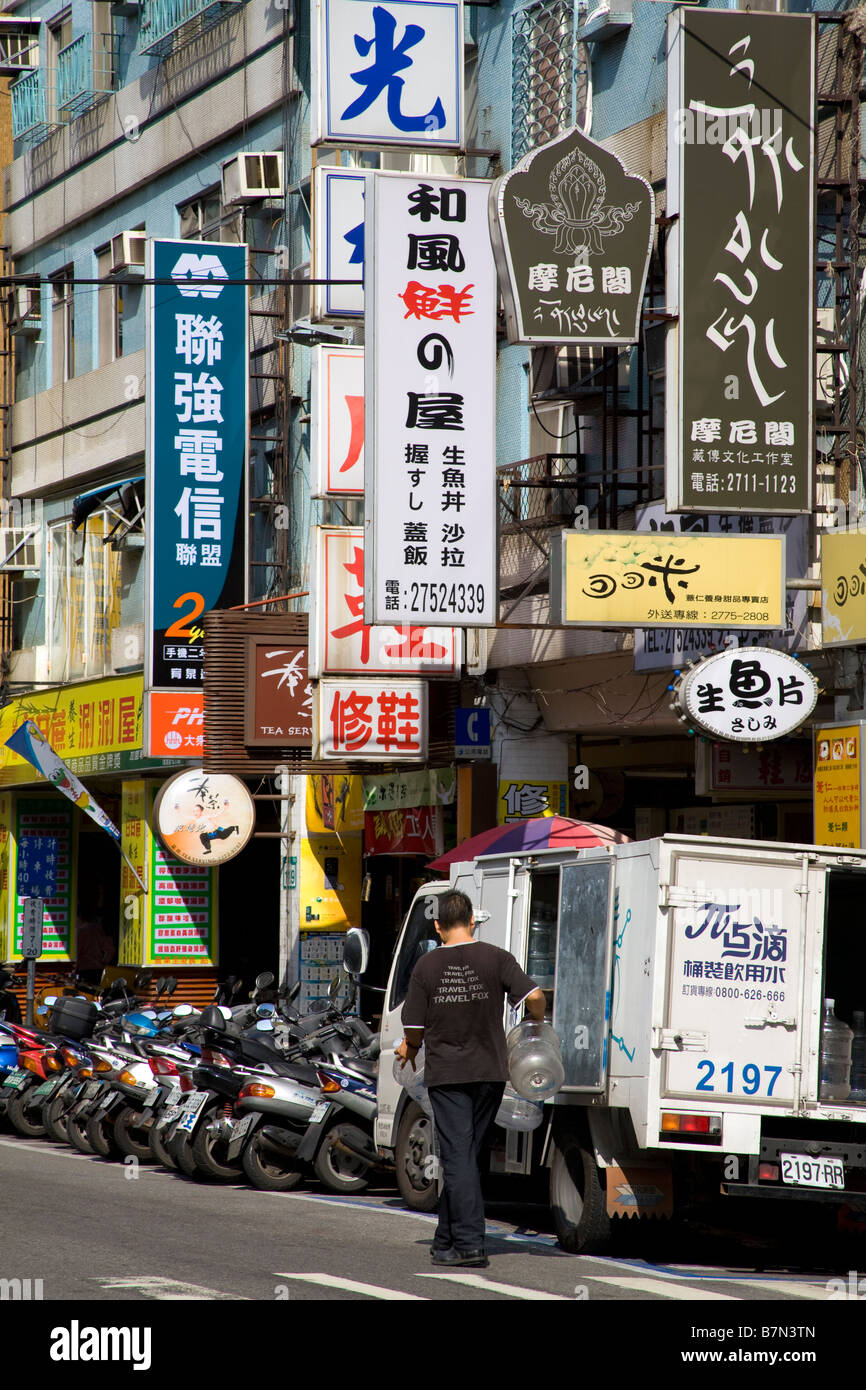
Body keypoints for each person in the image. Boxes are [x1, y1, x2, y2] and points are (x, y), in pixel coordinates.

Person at [396, 890, 547, 1268]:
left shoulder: (427, 967)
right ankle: (445, 1239)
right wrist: (535, 1026)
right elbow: (536, 996)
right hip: (490, 1075)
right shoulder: (496, 958)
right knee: (464, 1157)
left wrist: (409, 1050)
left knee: (457, 1157)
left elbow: (413, 1027)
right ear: (472, 922)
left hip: (449, 1075)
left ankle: (469, 1245)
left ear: (437, 926)